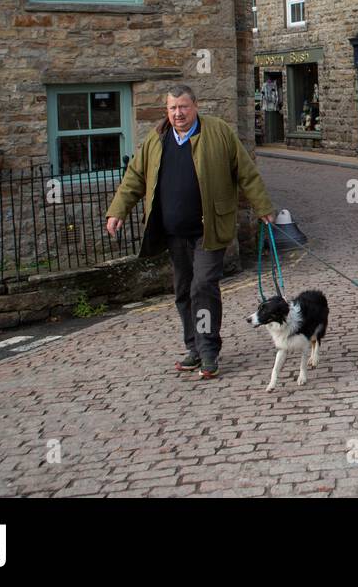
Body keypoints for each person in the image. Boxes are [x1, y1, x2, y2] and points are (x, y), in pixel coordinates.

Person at [105, 84, 275, 380]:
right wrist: (118, 210)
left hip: (209, 230)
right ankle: (194, 347)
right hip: (174, 233)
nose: (178, 113)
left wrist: (263, 207)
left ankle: (208, 350)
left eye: (183, 107)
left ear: (195, 106)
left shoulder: (218, 132)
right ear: (166, 110)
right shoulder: (157, 140)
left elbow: (245, 172)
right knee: (184, 291)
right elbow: (134, 176)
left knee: (203, 286)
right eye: (172, 108)